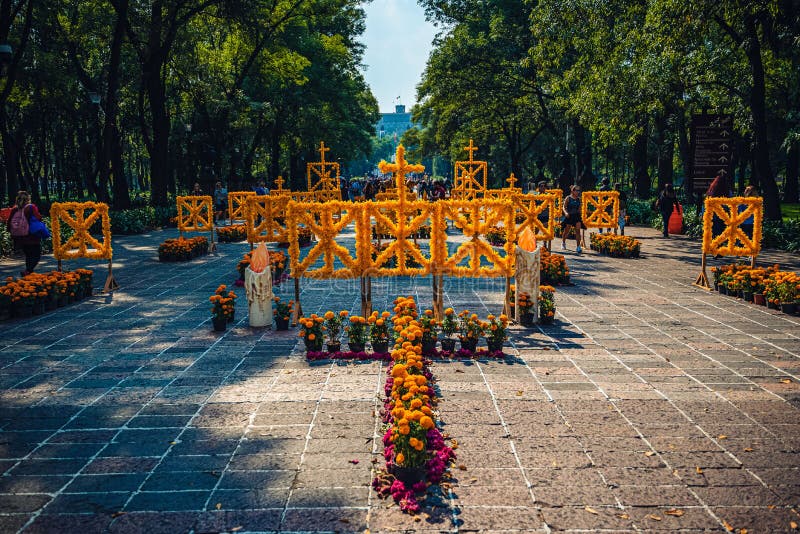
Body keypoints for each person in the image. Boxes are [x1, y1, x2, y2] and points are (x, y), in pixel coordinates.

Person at [6, 191, 43, 276]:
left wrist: (12, 234)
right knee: (36, 255)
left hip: (20, 237)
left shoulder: (15, 209)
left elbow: (9, 222)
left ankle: (28, 272)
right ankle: (28, 271)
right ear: (28, 199)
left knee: (28, 255)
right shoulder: (30, 207)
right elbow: (39, 218)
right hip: (32, 236)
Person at [561, 185, 583, 253]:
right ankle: (563, 243)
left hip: (577, 216)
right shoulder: (568, 198)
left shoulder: (579, 199)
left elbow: (579, 209)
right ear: (572, 191)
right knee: (567, 231)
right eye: (576, 190)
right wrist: (566, 213)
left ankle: (578, 247)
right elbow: (564, 207)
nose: (578, 192)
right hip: (569, 216)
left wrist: (581, 216)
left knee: (578, 231)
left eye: (579, 190)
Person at [534, 181, 552, 250]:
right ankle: (534, 243)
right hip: (538, 216)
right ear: (538, 187)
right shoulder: (535, 196)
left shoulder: (548, 195)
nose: (543, 187)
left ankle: (545, 244)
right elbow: (533, 205)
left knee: (545, 230)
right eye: (541, 186)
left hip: (545, 215)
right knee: (536, 230)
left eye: (544, 186)